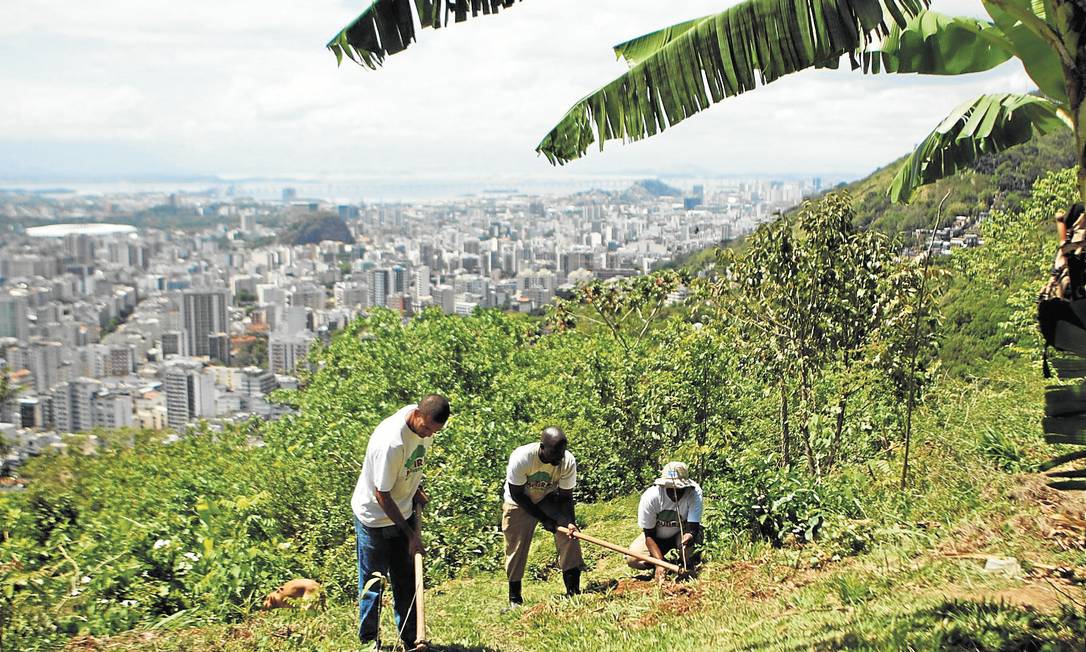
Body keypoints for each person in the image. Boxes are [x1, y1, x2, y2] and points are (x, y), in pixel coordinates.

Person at [351, 394, 450, 651]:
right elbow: (381, 494)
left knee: (406, 582)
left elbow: (409, 467)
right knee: (373, 583)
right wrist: (410, 535)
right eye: (427, 428)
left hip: (403, 511)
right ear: (417, 414)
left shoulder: (423, 424)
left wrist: (413, 489)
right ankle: (369, 642)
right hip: (374, 519)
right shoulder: (391, 443)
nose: (429, 435)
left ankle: (411, 640)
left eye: (434, 431)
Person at [502, 426, 584, 606]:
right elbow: (517, 494)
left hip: (547, 497)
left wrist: (570, 522)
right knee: (516, 546)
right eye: (554, 453)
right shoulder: (522, 457)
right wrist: (544, 519)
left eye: (561, 454)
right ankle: (515, 598)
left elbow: (565, 497)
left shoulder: (567, 461)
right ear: (542, 447)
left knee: (570, 536)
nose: (558, 458)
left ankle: (573, 590)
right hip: (519, 502)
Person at [627, 461, 703, 580]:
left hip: (680, 535)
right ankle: (666, 564)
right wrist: (659, 562)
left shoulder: (694, 493)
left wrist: (690, 535)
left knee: (689, 555)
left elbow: (693, 526)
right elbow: (649, 535)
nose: (675, 493)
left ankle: (685, 560)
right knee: (633, 560)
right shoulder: (651, 497)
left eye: (678, 489)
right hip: (656, 537)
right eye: (670, 489)